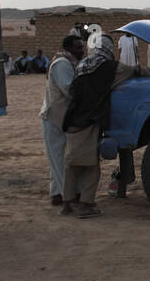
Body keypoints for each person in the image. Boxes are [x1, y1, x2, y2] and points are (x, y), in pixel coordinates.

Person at [60, 36, 145, 217]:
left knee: (71, 164)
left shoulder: (82, 65)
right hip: (88, 122)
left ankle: (67, 204)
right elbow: (136, 71)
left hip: (72, 119)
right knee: (91, 166)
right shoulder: (110, 68)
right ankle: (85, 204)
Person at [40, 35, 85, 206]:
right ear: (68, 49)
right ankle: (69, 196)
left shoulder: (69, 62)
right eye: (78, 48)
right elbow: (69, 90)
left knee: (57, 157)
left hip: (61, 116)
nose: (82, 51)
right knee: (59, 159)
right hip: (54, 117)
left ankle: (57, 194)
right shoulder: (62, 64)